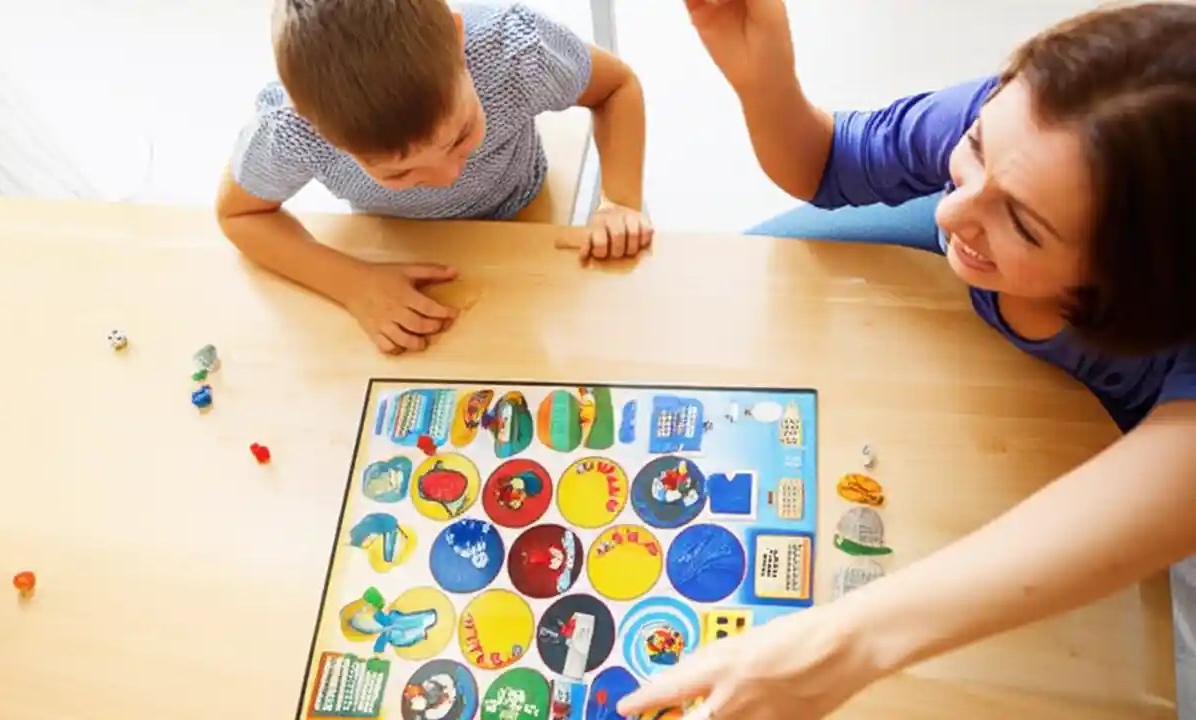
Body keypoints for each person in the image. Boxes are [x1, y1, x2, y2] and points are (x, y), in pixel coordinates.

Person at [619, 2, 1196, 718]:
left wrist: (841, 644)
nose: (950, 211)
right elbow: (827, 164)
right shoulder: (1014, 129)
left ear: (1136, 281)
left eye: (1022, 222)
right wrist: (765, 80)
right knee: (764, 257)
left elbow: (1168, 491)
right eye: (977, 147)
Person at [216, 0, 650, 354]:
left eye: (461, 135)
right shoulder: (293, 129)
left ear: (458, 37)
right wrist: (351, 283)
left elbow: (617, 87)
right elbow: (240, 215)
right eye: (401, 171)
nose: (447, 175)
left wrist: (619, 201)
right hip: (400, 243)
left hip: (521, 208)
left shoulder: (515, 50)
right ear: (312, 122)